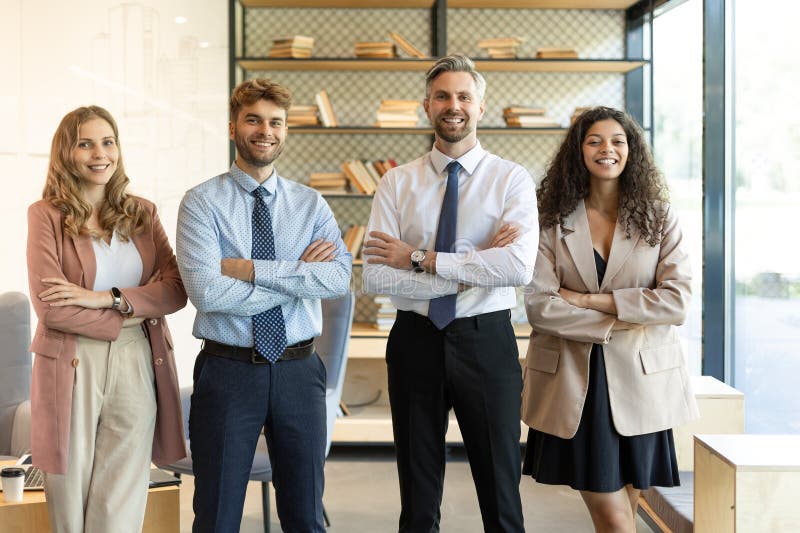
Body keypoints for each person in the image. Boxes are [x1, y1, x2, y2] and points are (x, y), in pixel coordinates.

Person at [362, 54, 537, 533]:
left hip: (487, 341)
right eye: (442, 96)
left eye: (464, 96)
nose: (452, 105)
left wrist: (420, 258)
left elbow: (518, 267)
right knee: (417, 495)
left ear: (481, 107)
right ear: (427, 106)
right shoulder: (397, 182)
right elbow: (376, 276)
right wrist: (479, 265)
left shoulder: (512, 180)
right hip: (415, 339)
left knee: (501, 489)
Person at [176, 78, 352, 533]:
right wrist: (298, 277)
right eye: (253, 119)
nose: (265, 130)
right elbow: (207, 293)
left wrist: (254, 269)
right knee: (217, 517)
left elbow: (337, 278)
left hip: (299, 370)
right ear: (233, 127)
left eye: (276, 122)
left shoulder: (311, 204)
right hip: (228, 371)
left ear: (287, 130)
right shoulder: (200, 203)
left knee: (306, 517)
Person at [521, 106, 699, 532]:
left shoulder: (660, 218)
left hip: (642, 386)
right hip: (574, 386)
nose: (607, 150)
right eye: (595, 141)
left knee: (624, 515)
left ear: (631, 151)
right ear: (578, 151)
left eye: (618, 141)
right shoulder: (549, 222)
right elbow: (540, 306)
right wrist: (624, 315)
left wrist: (587, 300)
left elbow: (675, 304)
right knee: (615, 519)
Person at [26, 105, 187, 533]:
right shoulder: (46, 216)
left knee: (122, 493)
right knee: (70, 491)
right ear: (67, 152)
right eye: (86, 143)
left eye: (108, 141)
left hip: (138, 360)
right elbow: (52, 308)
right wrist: (131, 311)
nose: (100, 154)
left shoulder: (142, 213)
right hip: (72, 360)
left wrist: (105, 299)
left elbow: (175, 290)